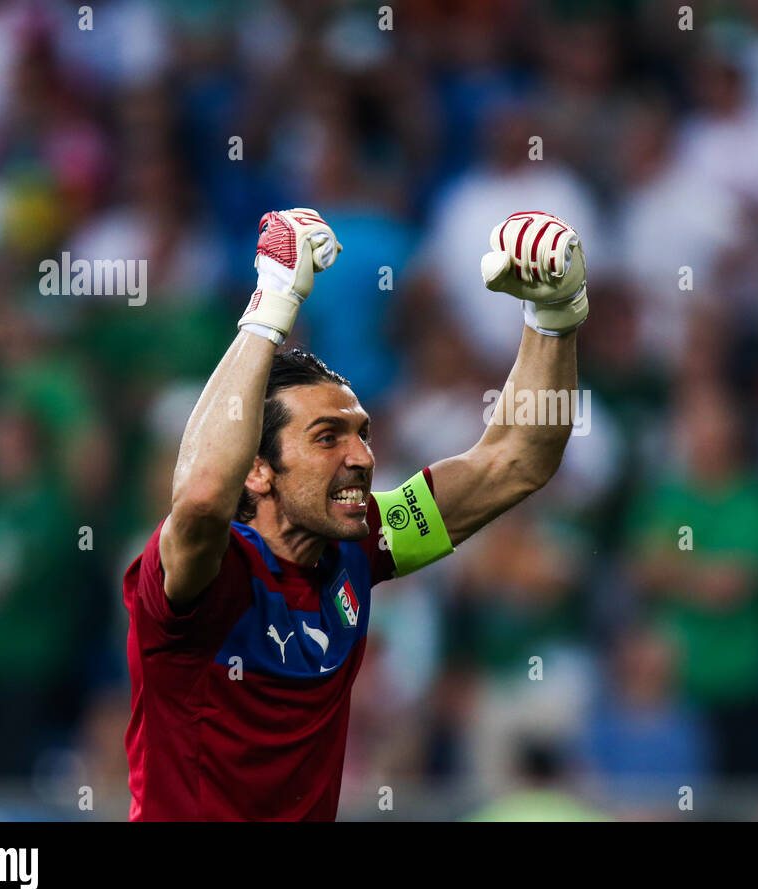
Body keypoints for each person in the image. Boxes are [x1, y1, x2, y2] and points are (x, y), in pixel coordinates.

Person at [123, 207, 588, 820]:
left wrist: (553, 320)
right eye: (327, 438)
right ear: (257, 471)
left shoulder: (360, 544)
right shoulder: (202, 575)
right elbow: (204, 496)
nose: (362, 456)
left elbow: (516, 461)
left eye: (362, 433)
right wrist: (271, 309)